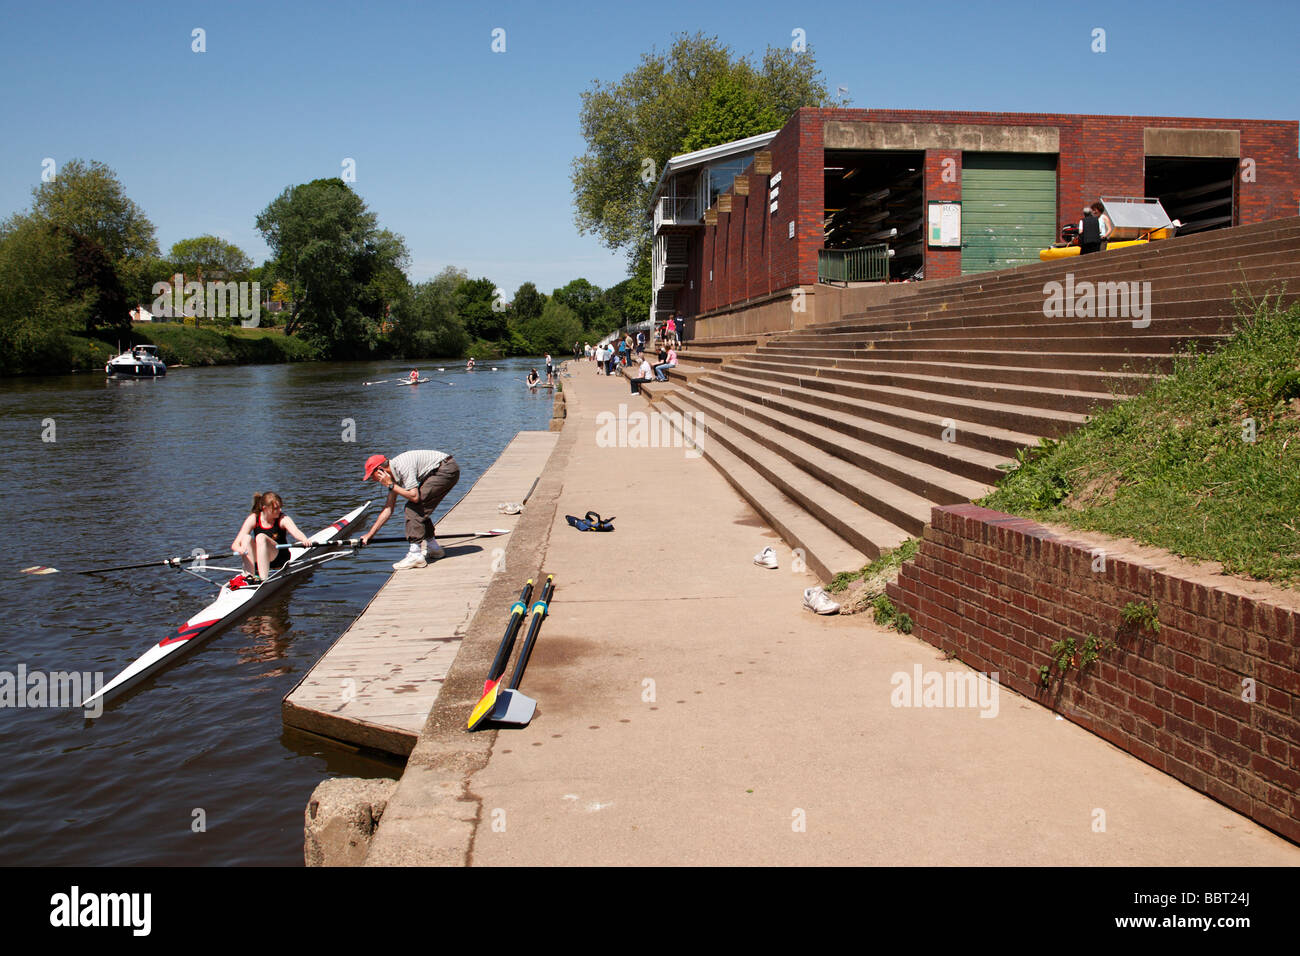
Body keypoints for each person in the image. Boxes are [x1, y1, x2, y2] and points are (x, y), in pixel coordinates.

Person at [359, 450, 461, 570]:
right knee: (420, 508)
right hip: (440, 469)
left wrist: (391, 485)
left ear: (380, 470)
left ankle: (415, 555)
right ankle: (434, 549)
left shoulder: (402, 467)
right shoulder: (393, 477)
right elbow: (388, 509)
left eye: (372, 475)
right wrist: (370, 534)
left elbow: (414, 497)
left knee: (413, 508)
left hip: (445, 469)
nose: (373, 479)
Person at [231, 492, 312, 583]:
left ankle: (263, 579)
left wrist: (304, 539)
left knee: (260, 537)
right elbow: (235, 545)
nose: (280, 510)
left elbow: (295, 531)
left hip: (279, 559)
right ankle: (250, 577)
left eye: (280, 507)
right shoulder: (254, 518)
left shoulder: (282, 518)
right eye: (276, 508)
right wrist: (240, 549)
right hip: (260, 560)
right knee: (246, 538)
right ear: (265, 508)